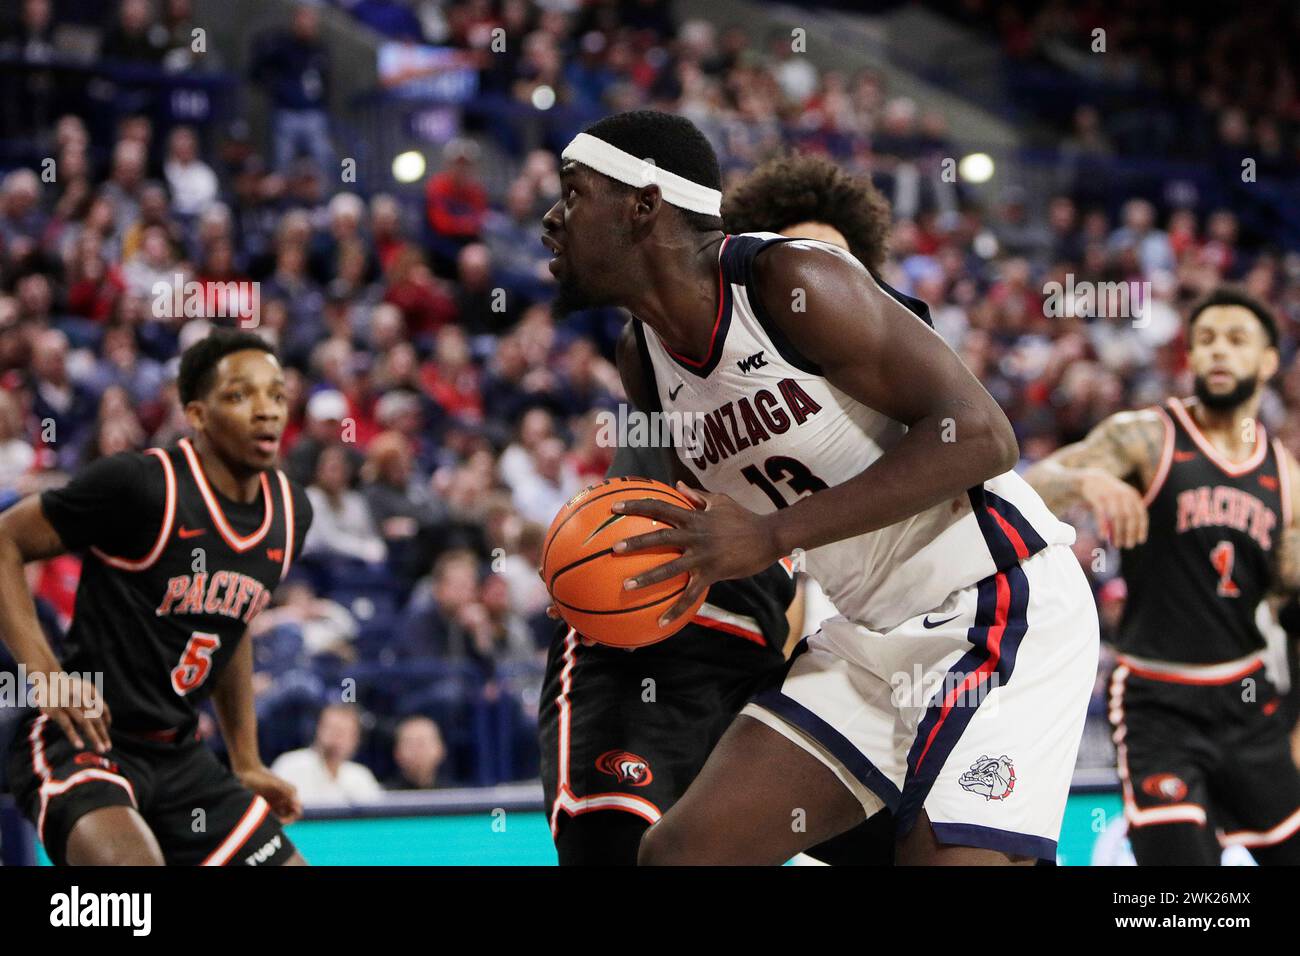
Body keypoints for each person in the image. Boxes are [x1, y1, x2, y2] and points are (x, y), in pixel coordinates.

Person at [541, 110, 1098, 865]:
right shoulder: (641, 355)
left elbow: (981, 434)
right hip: (869, 641)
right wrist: (601, 562)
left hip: (999, 606)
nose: (550, 219)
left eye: (572, 194)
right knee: (679, 857)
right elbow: (655, 504)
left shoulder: (790, 279)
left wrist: (772, 535)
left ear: (644, 204)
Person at [539, 153, 905, 866]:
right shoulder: (675, 355)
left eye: (846, 271)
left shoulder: (860, 404)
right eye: (808, 261)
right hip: (647, 644)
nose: (826, 285)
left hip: (757, 670)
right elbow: (613, 524)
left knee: (931, 835)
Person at [2, 330, 313, 866]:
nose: (266, 412)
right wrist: (46, 675)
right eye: (241, 395)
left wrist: (246, 759)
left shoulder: (289, 513)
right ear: (196, 413)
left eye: (277, 395)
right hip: (83, 740)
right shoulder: (141, 485)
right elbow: (3, 540)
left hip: (179, 757)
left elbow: (230, 624)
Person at [1025, 288, 1300, 865]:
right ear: (1190, 357)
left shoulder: (1286, 476)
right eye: (1205, 340)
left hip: (1247, 700)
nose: (1218, 351)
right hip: (1157, 700)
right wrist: (1089, 482)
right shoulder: (1146, 436)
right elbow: (1037, 483)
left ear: (1269, 361)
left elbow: (1292, 602)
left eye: (1236, 339)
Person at [270, 703, 383, 805]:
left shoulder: (361, 776)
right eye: (332, 729)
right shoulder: (289, 765)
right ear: (318, 730)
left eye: (344, 732)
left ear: (356, 739)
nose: (336, 737)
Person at [385, 716, 449, 791]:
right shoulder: (382, 796)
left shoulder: (457, 795)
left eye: (423, 743)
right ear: (397, 753)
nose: (417, 751)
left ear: (440, 749)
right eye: (410, 744)